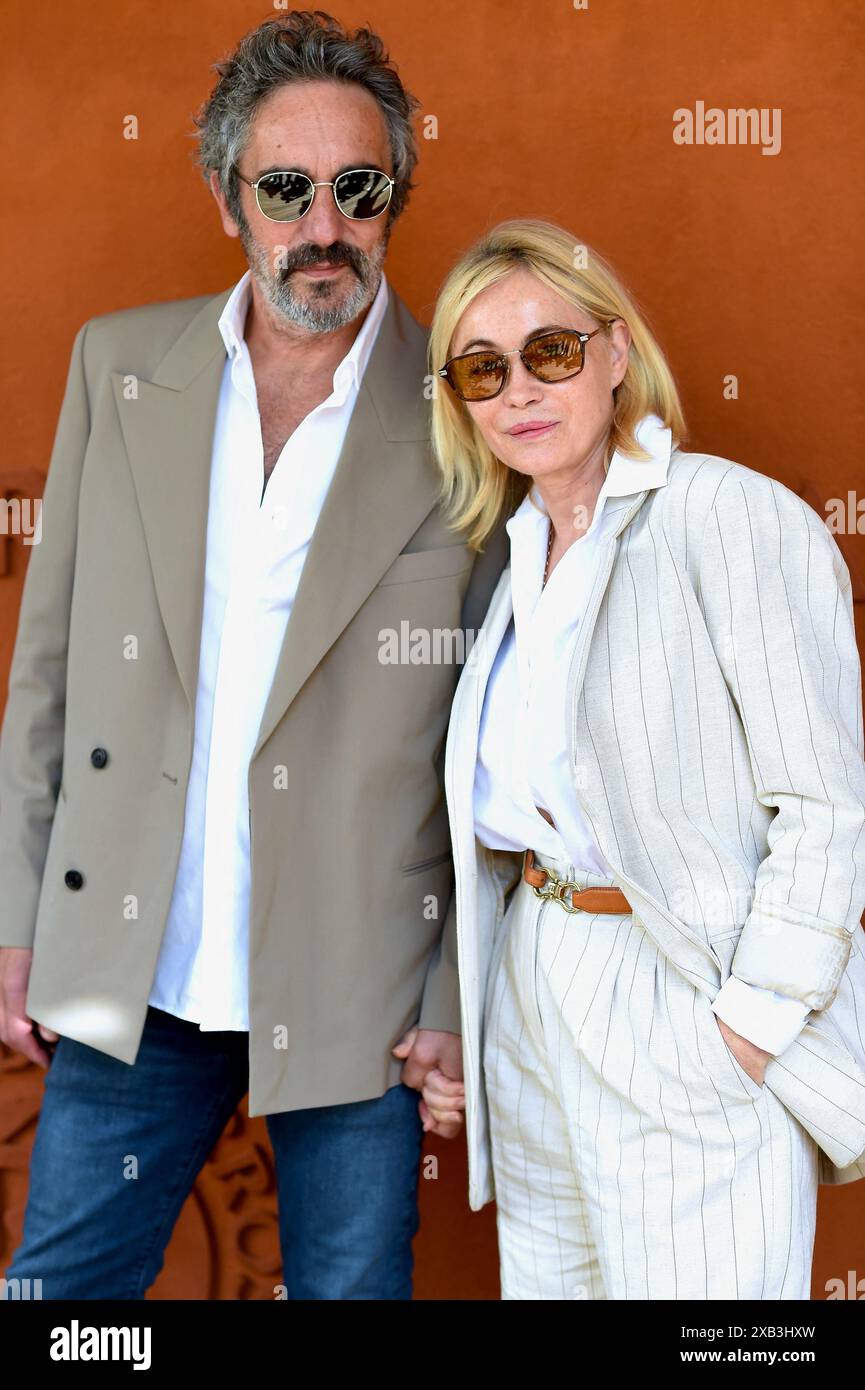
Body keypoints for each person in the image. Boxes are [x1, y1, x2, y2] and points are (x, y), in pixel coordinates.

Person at [0, 12, 507, 1300]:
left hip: (361, 983)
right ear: (231, 198)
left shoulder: (473, 409)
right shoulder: (121, 370)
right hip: (138, 966)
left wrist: (453, 988)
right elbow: (47, 674)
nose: (322, 225)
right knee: (65, 1309)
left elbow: (492, 749)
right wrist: (17, 919)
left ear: (395, 197)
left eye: (359, 189)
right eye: (286, 188)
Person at [422, 217, 865, 1299]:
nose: (519, 389)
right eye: (482, 368)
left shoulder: (725, 516)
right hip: (534, 981)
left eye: (551, 351)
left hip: (678, 982)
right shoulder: (510, 552)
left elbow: (826, 805)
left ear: (615, 353)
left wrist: (748, 1028)